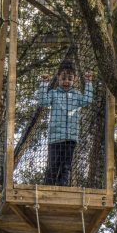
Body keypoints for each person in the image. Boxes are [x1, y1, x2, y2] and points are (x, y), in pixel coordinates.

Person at [35, 59, 94, 187]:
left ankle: (63, 187)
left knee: (66, 166)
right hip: (55, 137)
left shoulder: (77, 95)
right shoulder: (54, 94)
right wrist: (44, 84)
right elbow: (43, 102)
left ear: (75, 79)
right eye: (64, 78)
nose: (67, 81)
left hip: (71, 137)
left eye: (70, 78)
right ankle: (48, 187)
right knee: (53, 165)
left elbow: (87, 101)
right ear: (58, 78)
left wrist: (88, 83)